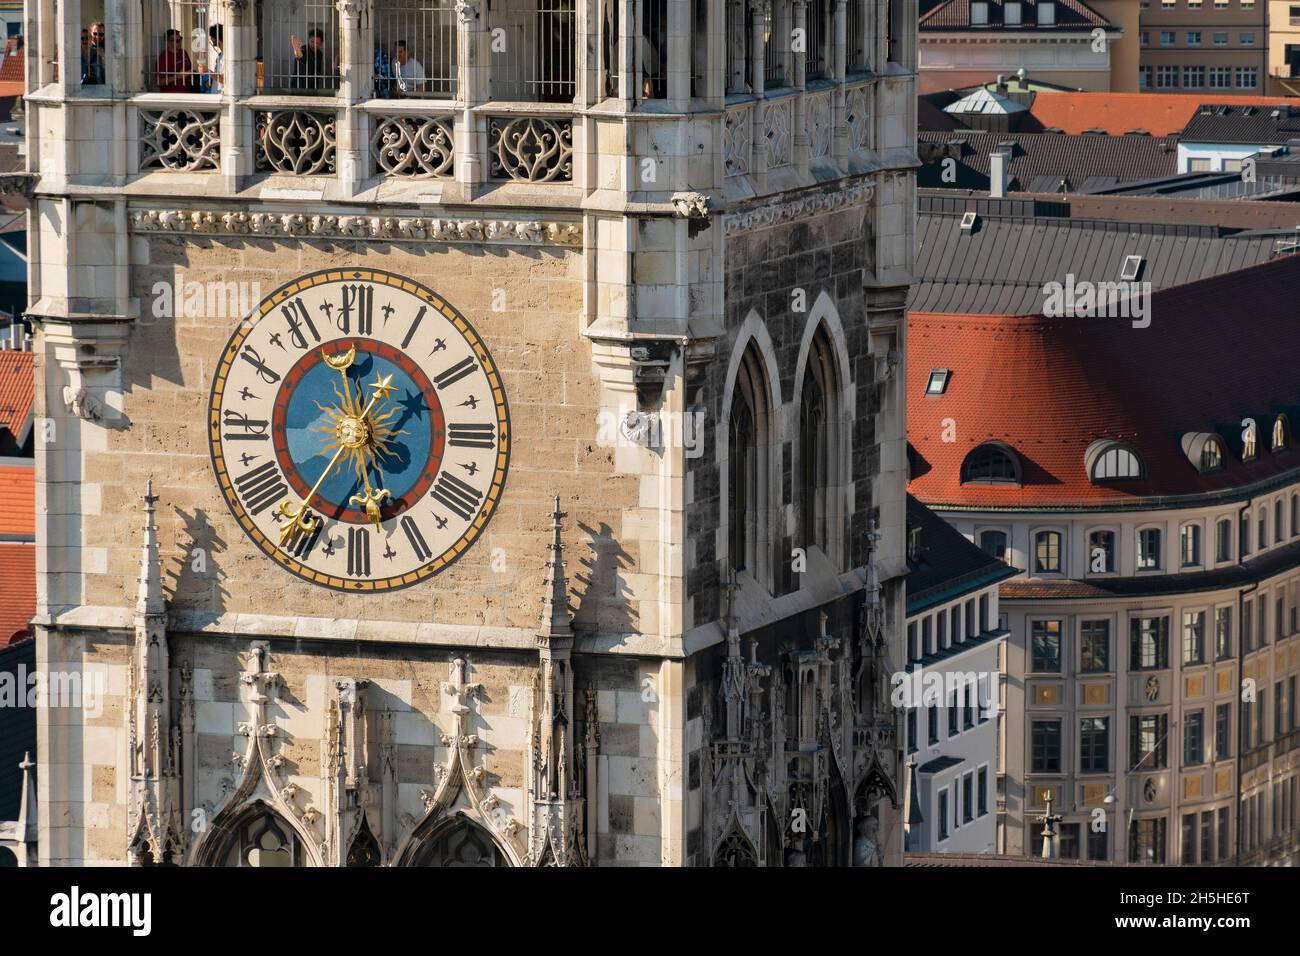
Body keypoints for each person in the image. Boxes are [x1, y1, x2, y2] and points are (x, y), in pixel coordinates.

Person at [156, 28, 191, 93]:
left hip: (186, 93)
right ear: (168, 43)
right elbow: (159, 82)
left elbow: (189, 69)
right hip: (171, 96)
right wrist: (177, 76)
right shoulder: (163, 58)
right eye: (177, 40)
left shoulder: (184, 52)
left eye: (180, 39)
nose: (180, 42)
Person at [198, 24, 224, 93]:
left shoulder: (227, 58)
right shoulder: (221, 55)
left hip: (221, 97)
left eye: (212, 37)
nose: (211, 40)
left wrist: (207, 71)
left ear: (217, 38)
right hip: (216, 94)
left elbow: (225, 79)